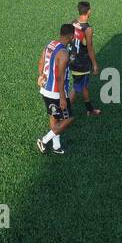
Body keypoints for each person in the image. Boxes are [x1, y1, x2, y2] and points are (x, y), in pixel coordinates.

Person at [36, 24, 75, 154]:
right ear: (70, 37)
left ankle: (56, 146)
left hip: (45, 89)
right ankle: (44, 140)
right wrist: (63, 98)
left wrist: (40, 76)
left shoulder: (50, 44)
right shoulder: (63, 54)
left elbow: (41, 62)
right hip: (55, 92)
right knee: (69, 119)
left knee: (54, 117)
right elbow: (60, 78)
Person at [68, 1, 102, 116]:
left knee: (83, 86)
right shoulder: (88, 29)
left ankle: (90, 110)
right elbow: (90, 48)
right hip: (81, 63)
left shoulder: (73, 22)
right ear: (89, 12)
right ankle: (64, 112)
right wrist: (95, 65)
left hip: (71, 59)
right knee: (76, 87)